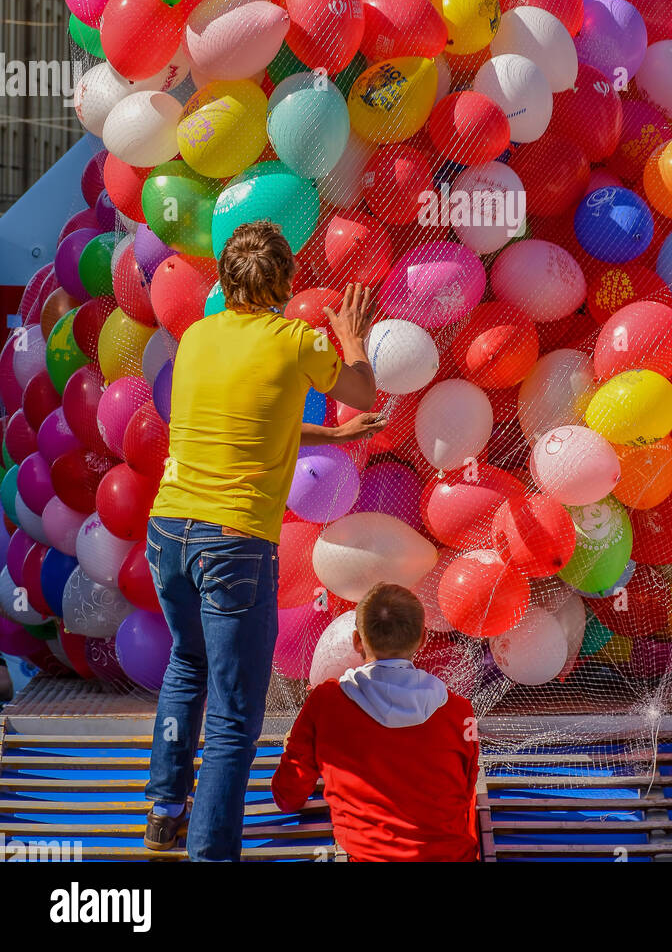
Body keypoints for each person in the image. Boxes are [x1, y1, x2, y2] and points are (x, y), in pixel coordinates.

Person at [144, 220, 385, 862]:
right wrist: (353, 337)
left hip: (169, 531)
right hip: (233, 544)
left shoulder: (196, 337)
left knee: (186, 663)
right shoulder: (296, 340)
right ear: (285, 283)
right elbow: (361, 389)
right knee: (234, 716)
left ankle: (165, 811)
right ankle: (211, 853)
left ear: (225, 281)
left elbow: (243, 426)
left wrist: (329, 440)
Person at [271, 582, 480, 862]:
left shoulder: (326, 703)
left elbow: (287, 796)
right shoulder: (459, 710)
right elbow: (466, 790)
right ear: (421, 638)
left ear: (357, 640)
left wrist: (299, 750)